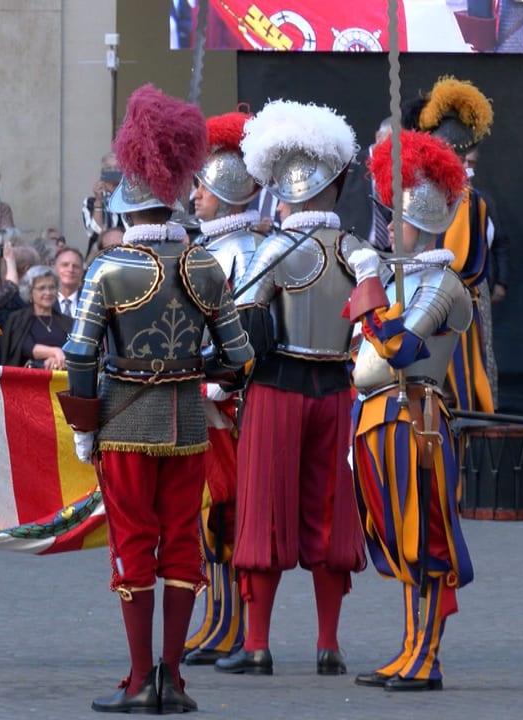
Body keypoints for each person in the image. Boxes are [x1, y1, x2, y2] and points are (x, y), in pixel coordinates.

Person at [58, 84, 252, 714]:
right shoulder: (203, 264)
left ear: (123, 211)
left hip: (122, 418)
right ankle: (175, 680)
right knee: (183, 543)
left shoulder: (108, 269)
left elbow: (83, 356)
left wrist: (84, 426)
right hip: (188, 421)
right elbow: (240, 356)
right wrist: (206, 377)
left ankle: (141, 678)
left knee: (133, 543)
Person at [217, 99, 367, 677]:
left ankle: (257, 645)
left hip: (278, 388)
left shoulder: (276, 247)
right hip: (337, 389)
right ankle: (328, 645)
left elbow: (245, 331)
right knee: (330, 514)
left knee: (266, 513)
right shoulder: (358, 250)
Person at [348, 130, 474, 692]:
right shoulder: (402, 274)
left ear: (418, 221)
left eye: (394, 218)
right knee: (399, 542)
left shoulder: (443, 282)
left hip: (414, 417)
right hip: (377, 418)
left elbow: (400, 349)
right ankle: (409, 649)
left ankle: (428, 656)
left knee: (423, 539)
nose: (387, 227)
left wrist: (369, 283)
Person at [183, 110, 263, 667]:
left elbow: (243, 334)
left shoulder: (244, 252)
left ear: (227, 192)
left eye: (203, 189)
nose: (194, 198)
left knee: (226, 512)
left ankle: (232, 624)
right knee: (205, 510)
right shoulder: (208, 246)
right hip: (201, 398)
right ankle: (216, 618)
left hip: (228, 403)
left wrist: (214, 375)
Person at [404, 76, 496, 417]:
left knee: (452, 393)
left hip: (446, 304)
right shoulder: (436, 194)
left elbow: (453, 264)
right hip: (427, 297)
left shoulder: (466, 200)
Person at [0, 266, 71, 369]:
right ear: (30, 292)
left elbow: (74, 349)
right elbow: (25, 347)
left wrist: (56, 360)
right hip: (28, 379)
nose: (48, 292)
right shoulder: (18, 319)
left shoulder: (67, 322)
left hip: (62, 378)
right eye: (42, 288)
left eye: (52, 287)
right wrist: (56, 352)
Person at [82, 151, 125, 248]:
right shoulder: (90, 202)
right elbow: (94, 233)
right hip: (101, 252)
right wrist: (98, 201)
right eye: (109, 168)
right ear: (103, 172)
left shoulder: (131, 200)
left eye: (117, 168)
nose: (113, 171)